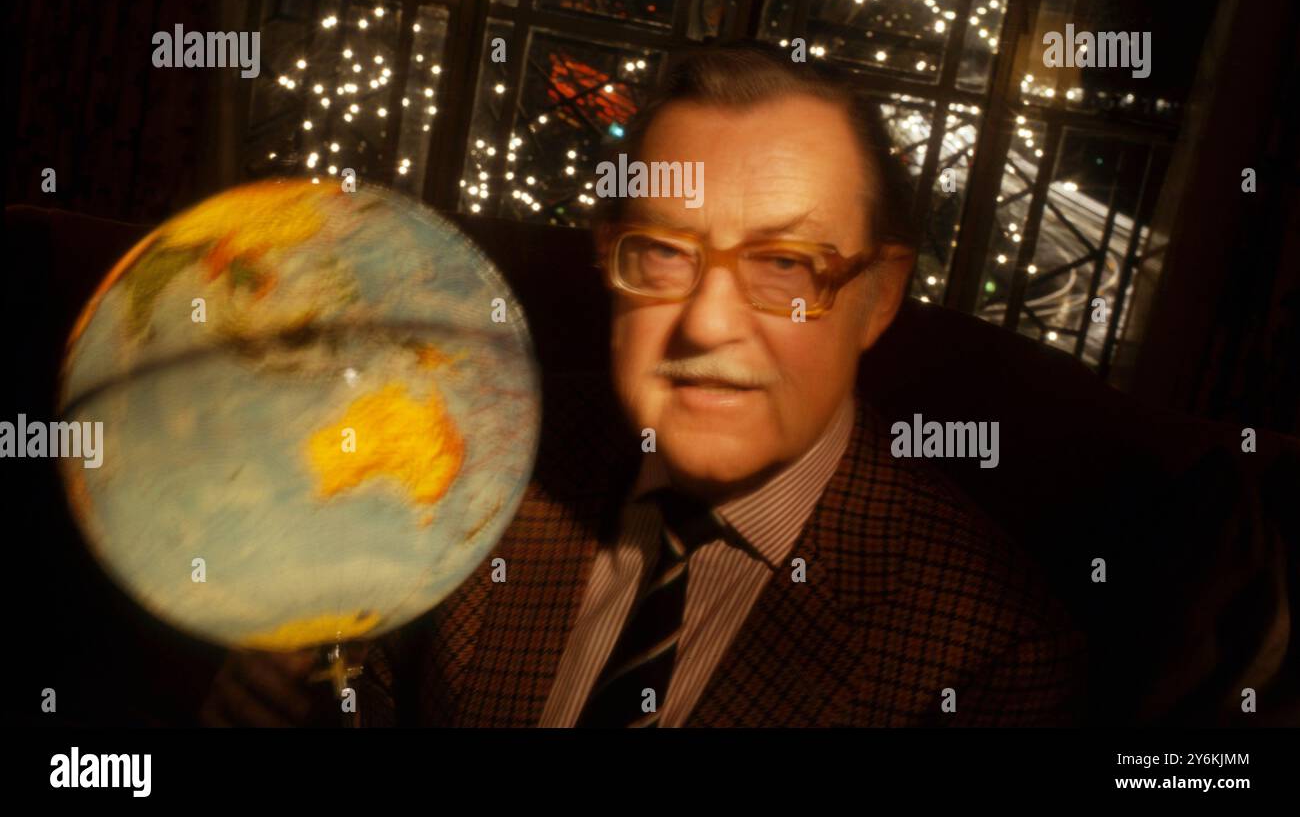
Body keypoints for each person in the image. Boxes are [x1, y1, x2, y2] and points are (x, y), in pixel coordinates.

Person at [201, 42, 1085, 728]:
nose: (708, 323)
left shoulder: (990, 658)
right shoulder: (483, 455)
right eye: (665, 252)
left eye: (785, 265)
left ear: (878, 298)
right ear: (608, 256)